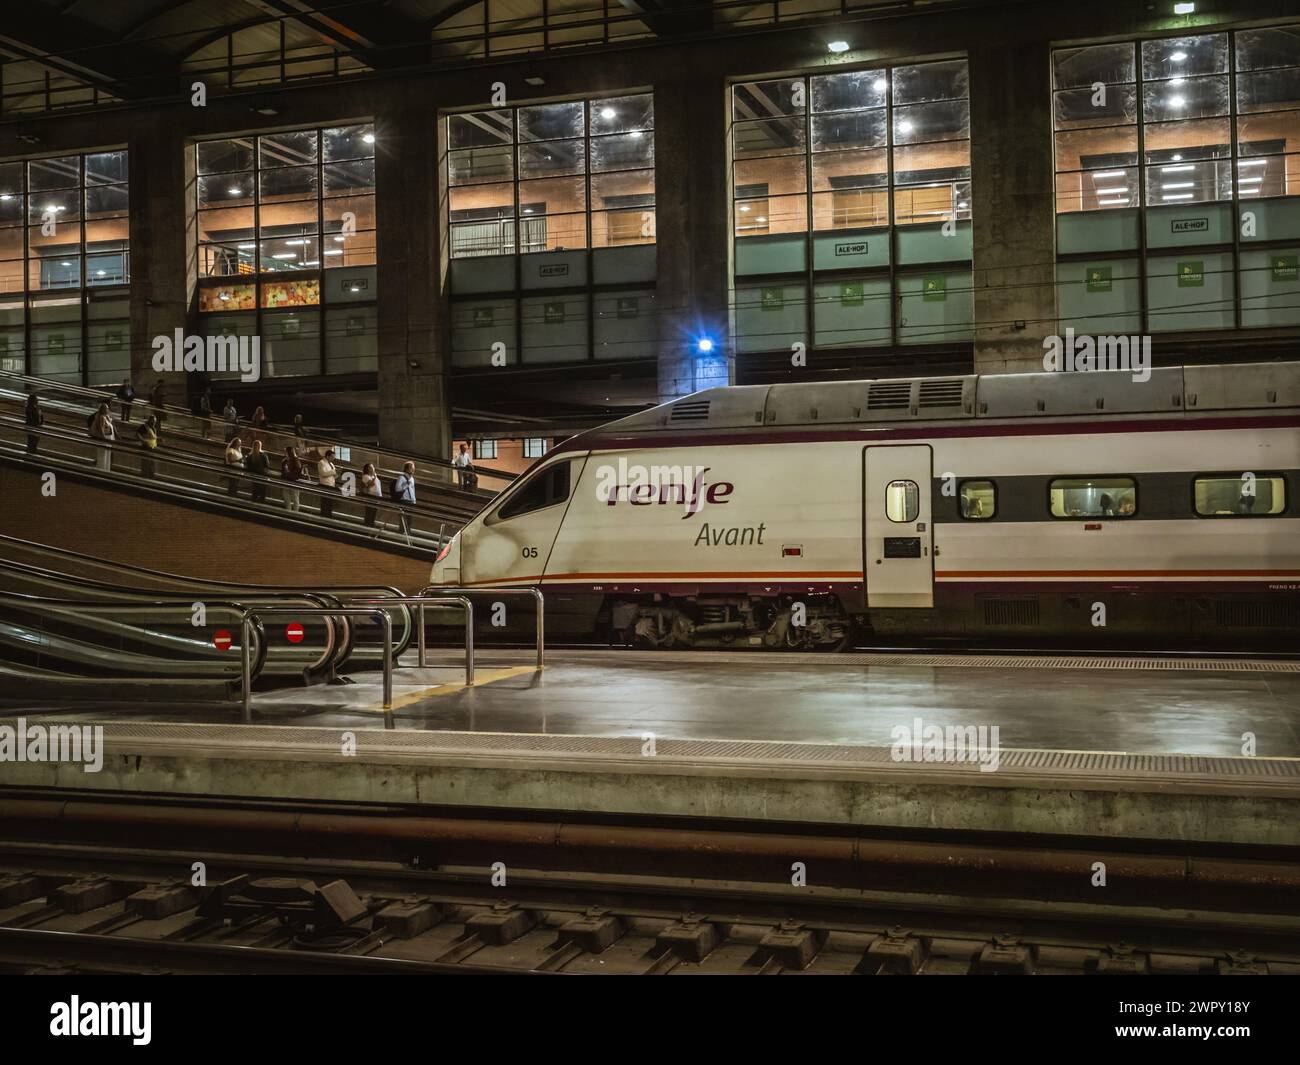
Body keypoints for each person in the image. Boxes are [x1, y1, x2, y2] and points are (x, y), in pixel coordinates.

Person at [393, 461, 416, 538]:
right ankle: (401, 534)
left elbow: (412, 490)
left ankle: (407, 535)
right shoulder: (401, 477)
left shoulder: (412, 479)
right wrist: (406, 484)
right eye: (411, 468)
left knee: (409, 520)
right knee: (403, 519)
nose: (413, 470)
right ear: (407, 469)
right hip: (403, 501)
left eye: (413, 468)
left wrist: (414, 500)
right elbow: (397, 489)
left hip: (411, 502)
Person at [88, 403, 115, 472]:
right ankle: (102, 469)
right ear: (103, 409)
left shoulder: (106, 417)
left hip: (108, 438)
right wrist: (104, 438)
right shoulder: (102, 417)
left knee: (106, 454)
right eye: (106, 408)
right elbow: (101, 428)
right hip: (105, 438)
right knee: (103, 454)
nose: (108, 410)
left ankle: (105, 469)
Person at [281, 445, 306, 512]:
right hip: (288, 480)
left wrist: (288, 473)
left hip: (293, 481)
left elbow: (298, 470)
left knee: (294, 497)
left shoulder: (295, 459)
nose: (285, 453)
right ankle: (289, 510)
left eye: (286, 451)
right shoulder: (285, 460)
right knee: (288, 497)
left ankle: (294, 511)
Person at [316, 448, 338, 517]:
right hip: (325, 485)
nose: (333, 458)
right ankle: (323, 515)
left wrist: (337, 474)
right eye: (332, 457)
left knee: (330, 502)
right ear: (328, 456)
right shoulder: (321, 463)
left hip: (331, 485)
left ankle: (328, 515)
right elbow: (323, 473)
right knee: (325, 501)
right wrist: (333, 472)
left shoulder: (331, 464)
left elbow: (333, 475)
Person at [136, 415, 159, 479]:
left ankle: (150, 477)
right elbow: (137, 434)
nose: (154, 423)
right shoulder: (144, 427)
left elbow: (153, 438)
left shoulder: (153, 428)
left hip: (153, 449)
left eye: (155, 422)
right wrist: (143, 441)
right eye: (152, 421)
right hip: (146, 449)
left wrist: (158, 439)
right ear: (149, 420)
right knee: (145, 465)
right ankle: (144, 477)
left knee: (151, 465)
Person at [361, 462, 382, 527]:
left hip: (376, 497)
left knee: (373, 513)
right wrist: (375, 476)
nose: (373, 468)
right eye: (371, 467)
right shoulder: (365, 476)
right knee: (369, 513)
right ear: (368, 469)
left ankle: (371, 525)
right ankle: (367, 526)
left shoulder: (374, 476)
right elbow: (371, 484)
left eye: (373, 467)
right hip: (370, 497)